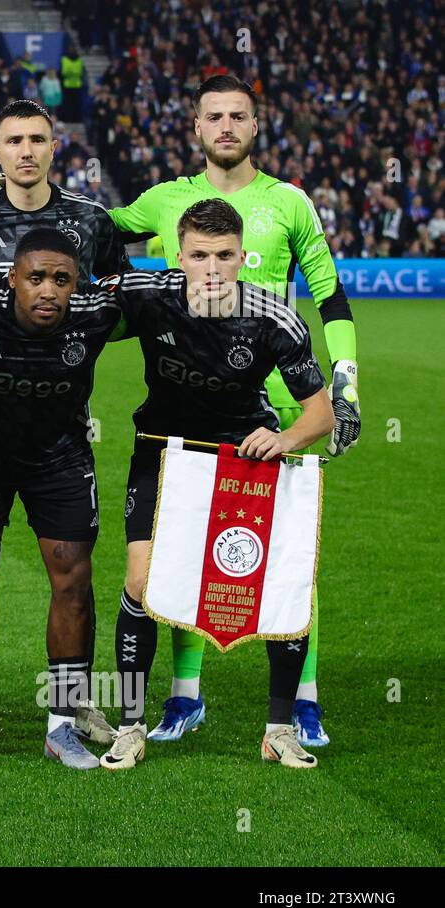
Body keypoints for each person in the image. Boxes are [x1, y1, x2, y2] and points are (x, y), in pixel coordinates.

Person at [108, 74, 359, 747]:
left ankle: (296, 709)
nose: (225, 126)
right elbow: (92, 243)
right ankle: (176, 700)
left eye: (237, 115)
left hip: (264, 412)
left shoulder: (291, 205)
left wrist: (348, 383)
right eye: (212, 115)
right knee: (159, 571)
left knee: (276, 570)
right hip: (169, 436)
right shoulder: (164, 215)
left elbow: (330, 299)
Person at [97, 199, 334, 771]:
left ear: (241, 257)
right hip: (163, 452)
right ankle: (130, 726)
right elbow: (61, 293)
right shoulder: (148, 294)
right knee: (140, 582)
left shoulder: (273, 318)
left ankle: (279, 729)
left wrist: (283, 440)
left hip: (241, 461)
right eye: (198, 255)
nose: (210, 268)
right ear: (178, 256)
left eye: (223, 256)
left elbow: (320, 415)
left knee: (282, 585)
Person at [0, 98, 131, 745]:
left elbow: (122, 301)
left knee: (74, 574)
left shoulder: (89, 221)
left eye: (37, 139)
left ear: (56, 148)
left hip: (60, 438)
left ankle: (69, 715)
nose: (26, 150)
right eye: (13, 140)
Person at [0, 227, 124, 769]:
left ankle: (62, 727)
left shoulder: (96, 314)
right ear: (12, 279)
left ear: (78, 283)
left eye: (62, 279)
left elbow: (166, 295)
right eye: (35, 278)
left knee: (73, 576)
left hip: (58, 460)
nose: (49, 291)